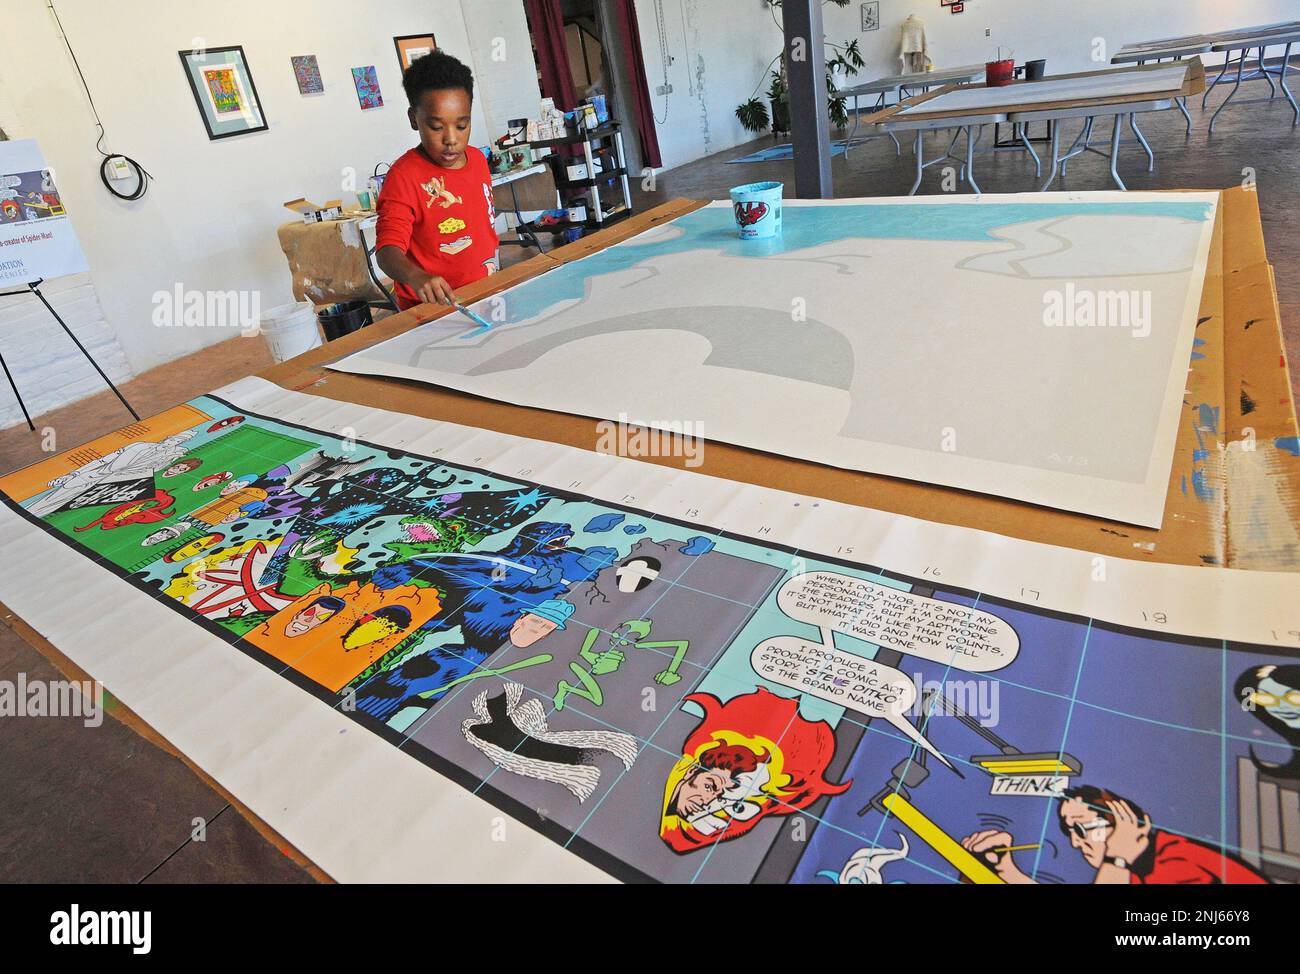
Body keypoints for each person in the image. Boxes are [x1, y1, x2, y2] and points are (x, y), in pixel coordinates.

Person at [375, 50, 498, 310]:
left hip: (487, 292)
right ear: (414, 119)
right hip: (432, 309)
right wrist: (415, 276)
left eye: (462, 125)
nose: (451, 139)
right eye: (437, 127)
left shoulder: (477, 159)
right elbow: (387, 252)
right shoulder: (403, 177)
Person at [961, 784, 1267, 884]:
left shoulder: (1176, 862)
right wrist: (1008, 872)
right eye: (1070, 831)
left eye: (1084, 828)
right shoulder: (1135, 870)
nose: (1075, 842)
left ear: (1136, 824)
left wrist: (1117, 857)